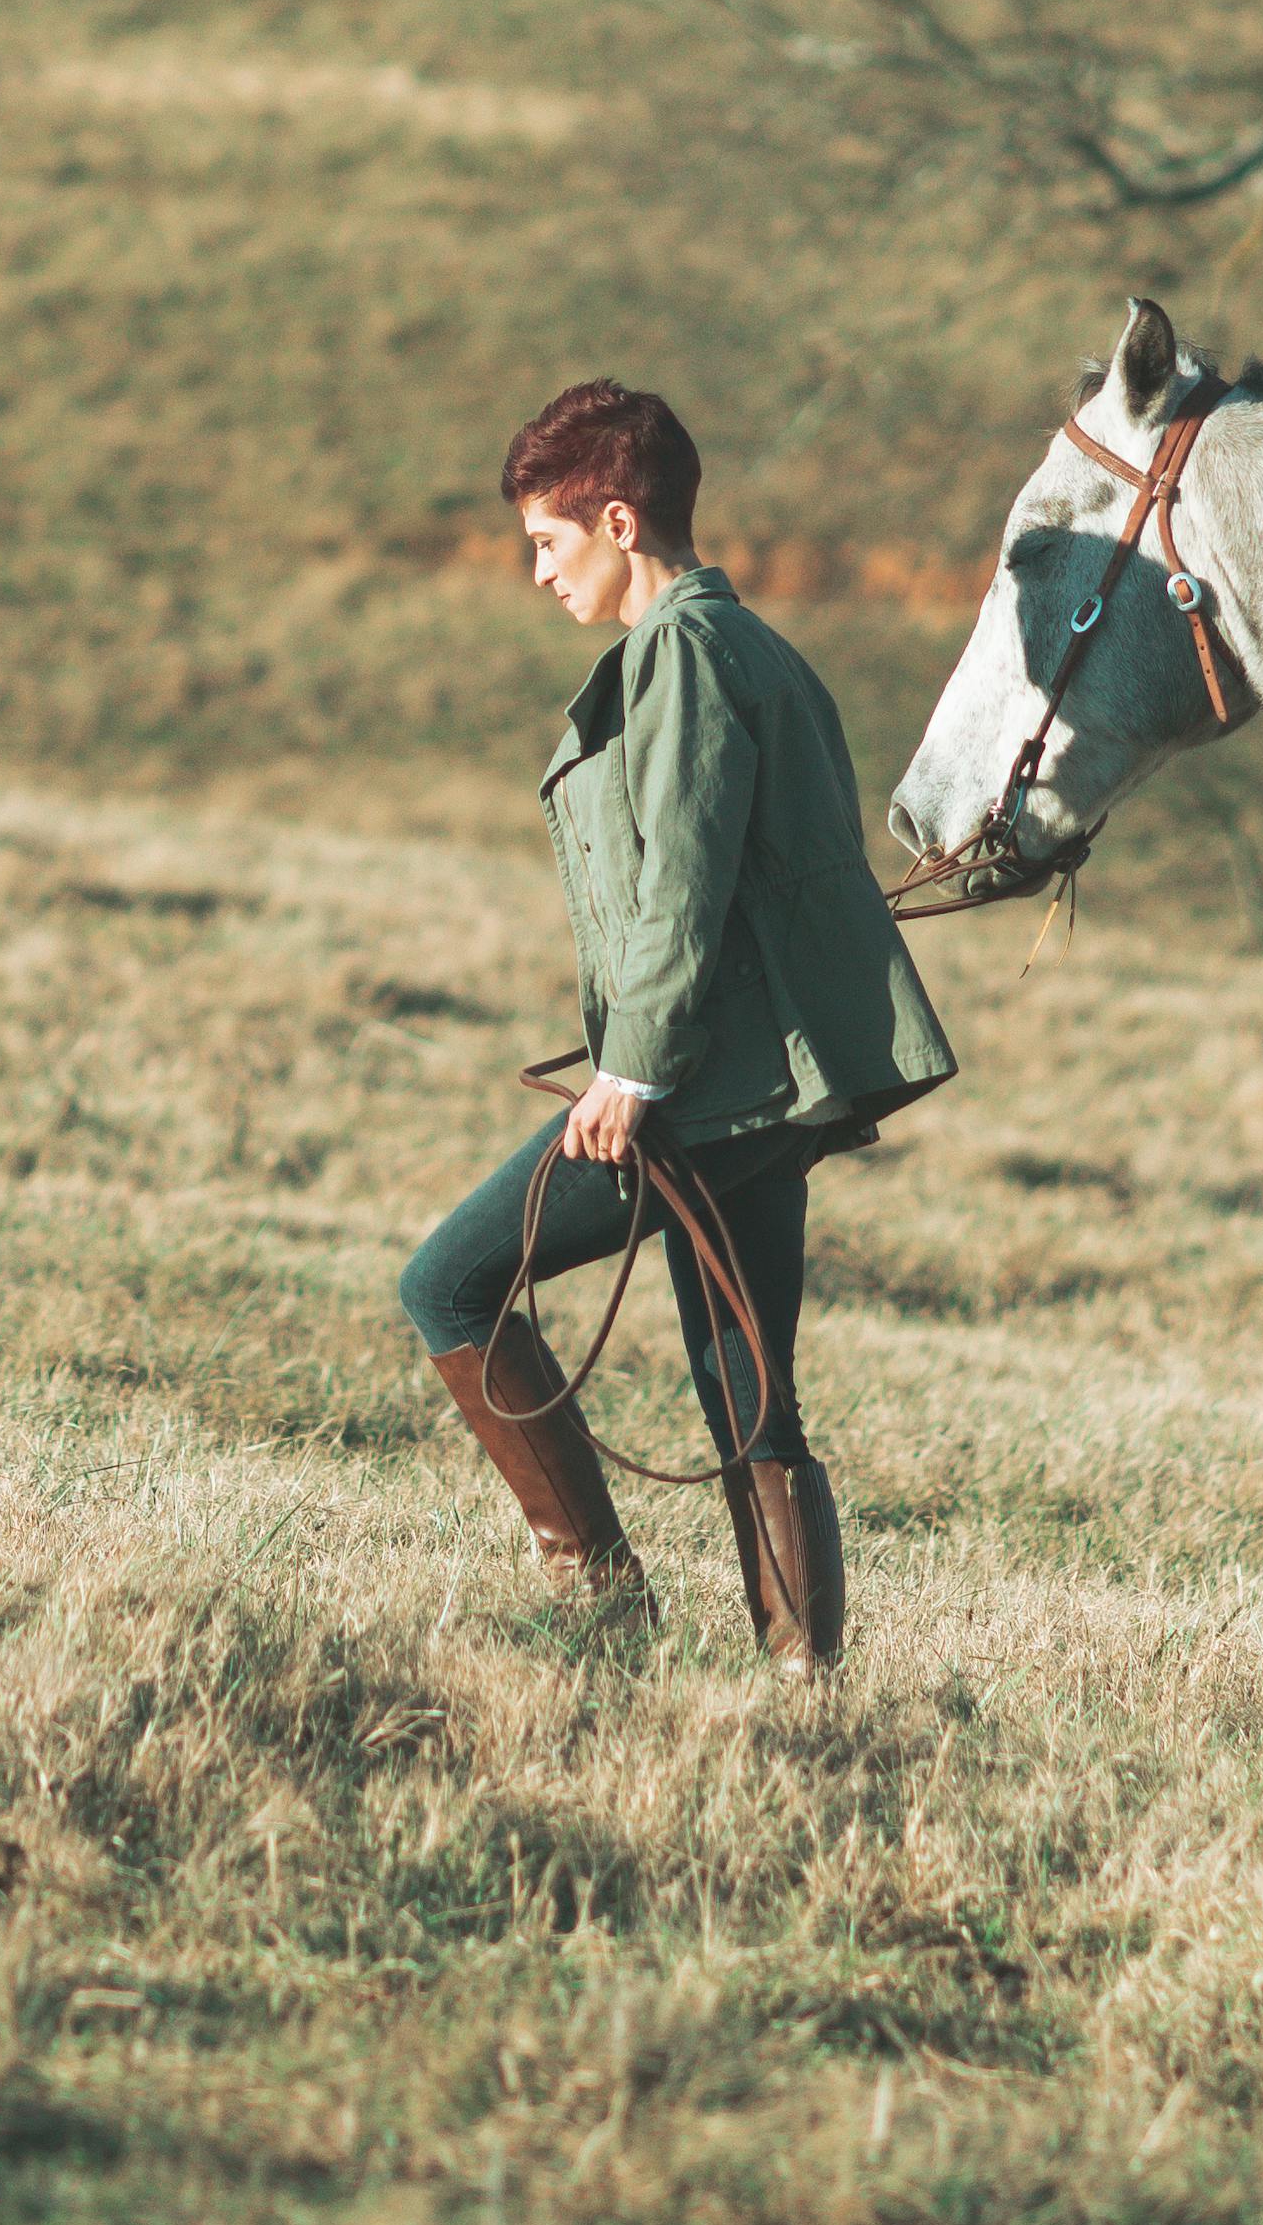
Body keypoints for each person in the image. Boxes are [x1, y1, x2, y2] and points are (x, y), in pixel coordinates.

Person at [401, 378, 958, 1668]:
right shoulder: (756, 647)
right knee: (746, 1385)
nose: (538, 573)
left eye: (550, 541)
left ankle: (601, 1597)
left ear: (618, 517)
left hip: (701, 1089)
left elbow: (683, 882)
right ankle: (803, 1678)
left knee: (449, 1283)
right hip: (768, 1093)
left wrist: (633, 1073)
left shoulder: (687, 655)